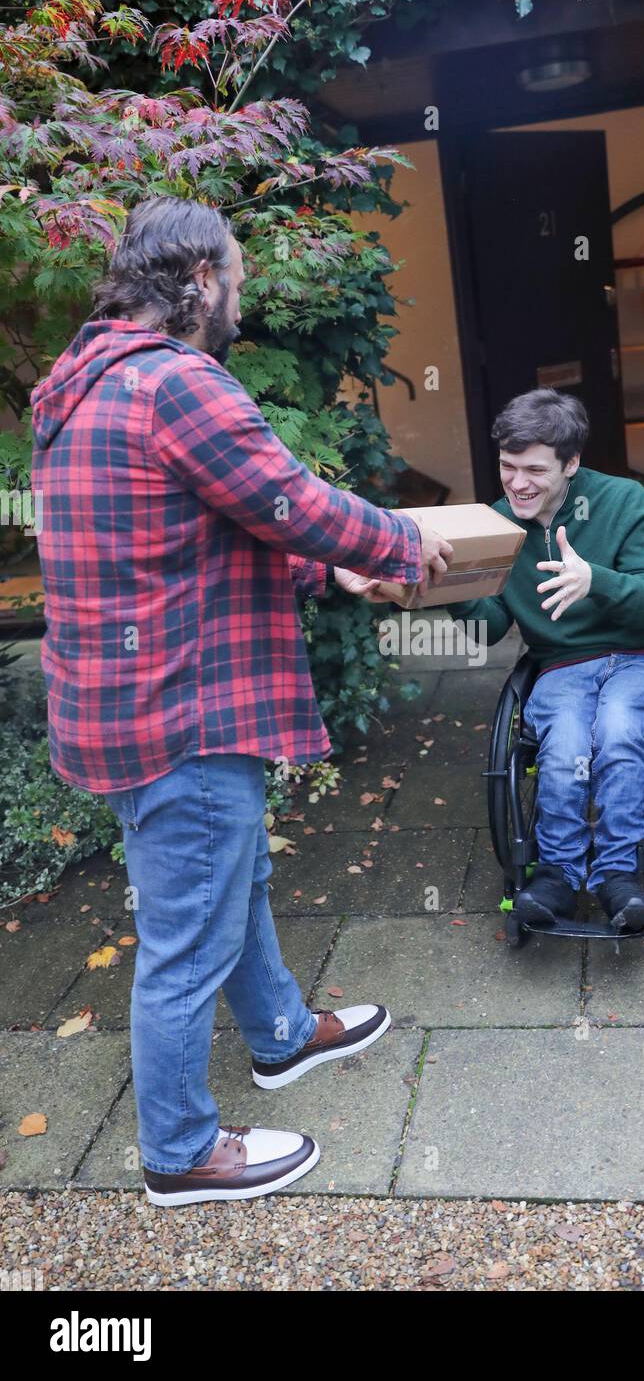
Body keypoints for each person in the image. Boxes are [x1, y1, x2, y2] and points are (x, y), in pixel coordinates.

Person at [29, 196, 452, 1207]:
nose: (242, 302)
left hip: (120, 704)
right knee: (187, 940)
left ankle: (277, 1035)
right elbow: (283, 499)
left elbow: (182, 538)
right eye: (239, 279)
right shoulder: (176, 382)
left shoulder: (77, 386)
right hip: (185, 708)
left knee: (229, 879)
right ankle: (179, 1151)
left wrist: (324, 576)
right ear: (201, 279)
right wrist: (400, 545)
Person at [450, 388, 644, 932]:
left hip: (642, 655)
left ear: (571, 463)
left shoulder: (624, 500)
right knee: (566, 744)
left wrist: (594, 580)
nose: (518, 483)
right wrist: (454, 588)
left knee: (621, 732)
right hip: (561, 664)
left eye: (534, 469)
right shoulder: (496, 522)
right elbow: (489, 628)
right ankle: (556, 873)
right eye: (508, 467)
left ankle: (618, 877)